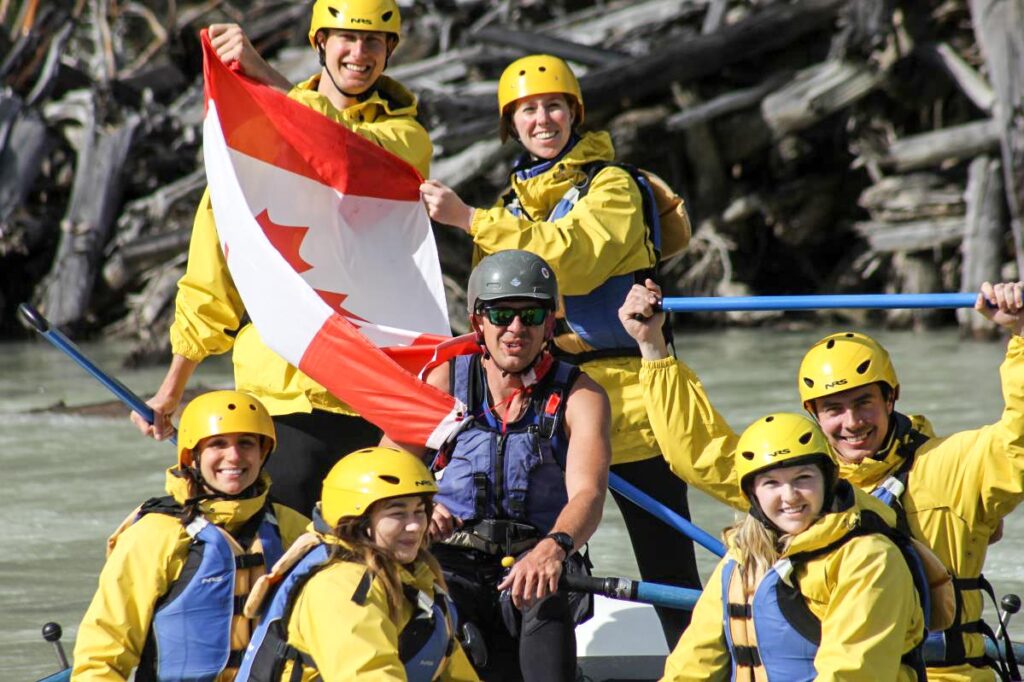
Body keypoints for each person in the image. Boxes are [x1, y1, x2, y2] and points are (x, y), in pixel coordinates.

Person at [418, 52, 700, 646]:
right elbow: (495, 317)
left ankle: (699, 664)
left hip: (632, 405)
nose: (541, 119)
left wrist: (469, 219)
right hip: (542, 407)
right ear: (511, 126)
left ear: (575, 114)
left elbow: (572, 259)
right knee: (522, 545)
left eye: (553, 107)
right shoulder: (512, 206)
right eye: (527, 111)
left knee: (667, 564)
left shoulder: (614, 186)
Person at [622, 279, 1024, 682]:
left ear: (891, 398)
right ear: (814, 414)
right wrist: (653, 348)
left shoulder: (955, 465)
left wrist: (1021, 333)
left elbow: (1018, 443)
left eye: (864, 402)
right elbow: (700, 454)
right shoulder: (801, 481)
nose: (852, 423)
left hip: (945, 674)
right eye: (834, 409)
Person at [131, 0, 433, 517]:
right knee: (274, 552)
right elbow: (211, 279)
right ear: (320, 43)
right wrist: (171, 389)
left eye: (373, 42)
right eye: (346, 38)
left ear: (389, 51)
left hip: (370, 391)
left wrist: (264, 74)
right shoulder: (249, 154)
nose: (359, 53)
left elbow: (339, 155)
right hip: (281, 394)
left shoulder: (406, 139)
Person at [385, 250, 612, 681]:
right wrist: (423, 505)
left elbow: (589, 494)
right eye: (502, 314)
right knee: (432, 621)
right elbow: (385, 472)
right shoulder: (443, 382)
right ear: (478, 322)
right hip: (451, 560)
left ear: (549, 325)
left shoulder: (582, 396)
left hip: (539, 561)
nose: (516, 328)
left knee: (545, 607)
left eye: (531, 314)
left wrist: (553, 549)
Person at [662, 412, 926, 681]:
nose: (789, 496)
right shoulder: (741, 558)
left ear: (828, 480)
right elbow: (693, 664)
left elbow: (852, 672)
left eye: (803, 478)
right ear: (753, 495)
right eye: (771, 483)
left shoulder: (870, 558)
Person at [72, 390, 310, 681]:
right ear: (192, 456)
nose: (234, 456)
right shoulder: (155, 535)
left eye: (246, 443)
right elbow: (104, 649)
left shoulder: (293, 529)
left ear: (263, 453)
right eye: (218, 444)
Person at [235, 446, 479, 681]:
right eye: (397, 513)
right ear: (358, 522)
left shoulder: (415, 577)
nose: (415, 525)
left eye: (419, 511)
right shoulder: (339, 587)